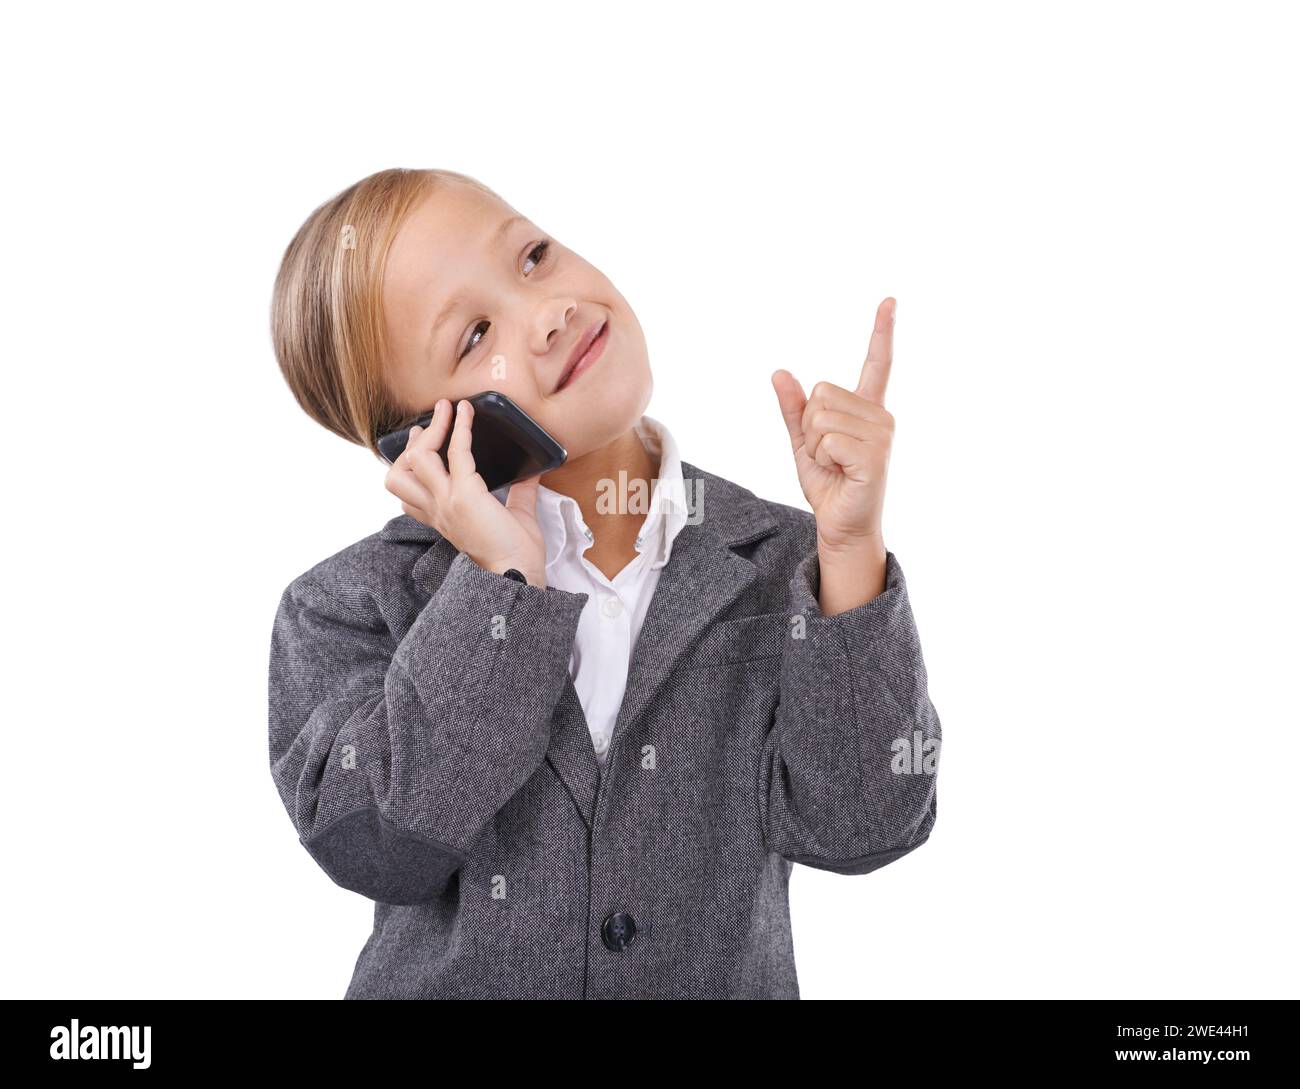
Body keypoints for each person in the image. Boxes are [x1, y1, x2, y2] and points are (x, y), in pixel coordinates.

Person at [267, 167, 942, 999]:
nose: (548, 313)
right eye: (475, 334)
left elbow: (865, 825)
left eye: (534, 256)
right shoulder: (342, 607)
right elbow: (376, 846)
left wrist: (849, 550)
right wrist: (500, 590)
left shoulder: (784, 562)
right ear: (418, 438)